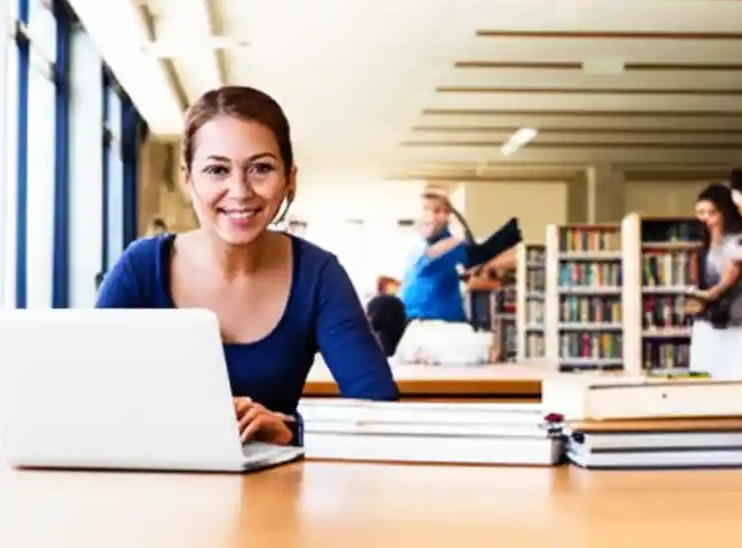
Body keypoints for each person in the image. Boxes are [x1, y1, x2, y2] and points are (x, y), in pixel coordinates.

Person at [95, 86, 398, 446]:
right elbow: (88, 393)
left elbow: (379, 410)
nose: (239, 191)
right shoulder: (141, 268)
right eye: (217, 170)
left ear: (290, 178)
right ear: (188, 177)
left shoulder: (318, 275)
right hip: (152, 484)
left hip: (276, 492)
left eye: (261, 168)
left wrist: (290, 431)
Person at [397, 193, 521, 324]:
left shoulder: (450, 244)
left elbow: (475, 257)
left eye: (437, 211)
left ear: (448, 217)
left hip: (438, 323)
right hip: (418, 321)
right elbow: (427, 262)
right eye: (426, 210)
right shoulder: (420, 246)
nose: (431, 217)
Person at [686, 183, 742, 380]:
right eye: (700, 213)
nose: (706, 219)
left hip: (738, 325)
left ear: (725, 213)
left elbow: (729, 276)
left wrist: (707, 295)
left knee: (737, 381)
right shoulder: (704, 246)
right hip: (708, 325)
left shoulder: (739, 241)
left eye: (712, 212)